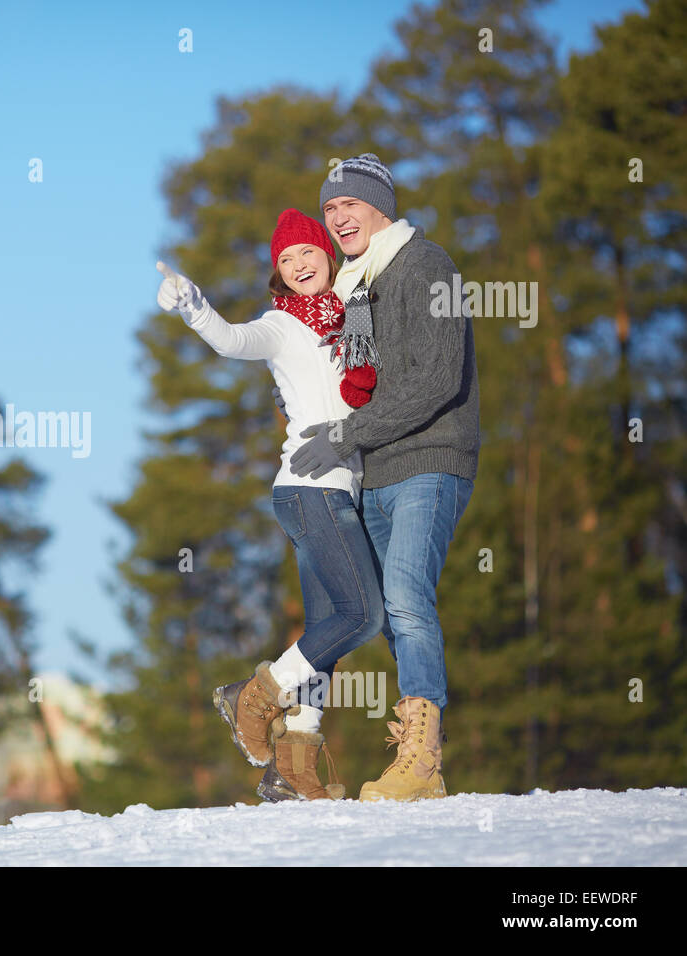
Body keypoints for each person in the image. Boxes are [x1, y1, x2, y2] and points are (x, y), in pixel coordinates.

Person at [156, 208, 385, 801]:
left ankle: (293, 769)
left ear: (327, 255)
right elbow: (233, 341)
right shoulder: (282, 325)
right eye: (287, 260)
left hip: (335, 490)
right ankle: (250, 697)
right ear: (279, 276)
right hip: (311, 489)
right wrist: (193, 304)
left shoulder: (353, 319)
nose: (300, 264)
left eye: (308, 252)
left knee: (323, 633)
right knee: (363, 616)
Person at [288, 153, 479, 801]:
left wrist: (346, 434)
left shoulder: (430, 265)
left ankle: (422, 760)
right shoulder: (353, 291)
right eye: (329, 208)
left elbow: (438, 378)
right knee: (377, 613)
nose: (337, 216)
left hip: (430, 456)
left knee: (403, 592)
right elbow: (349, 386)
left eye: (349, 203)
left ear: (381, 206)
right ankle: (305, 749)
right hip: (371, 469)